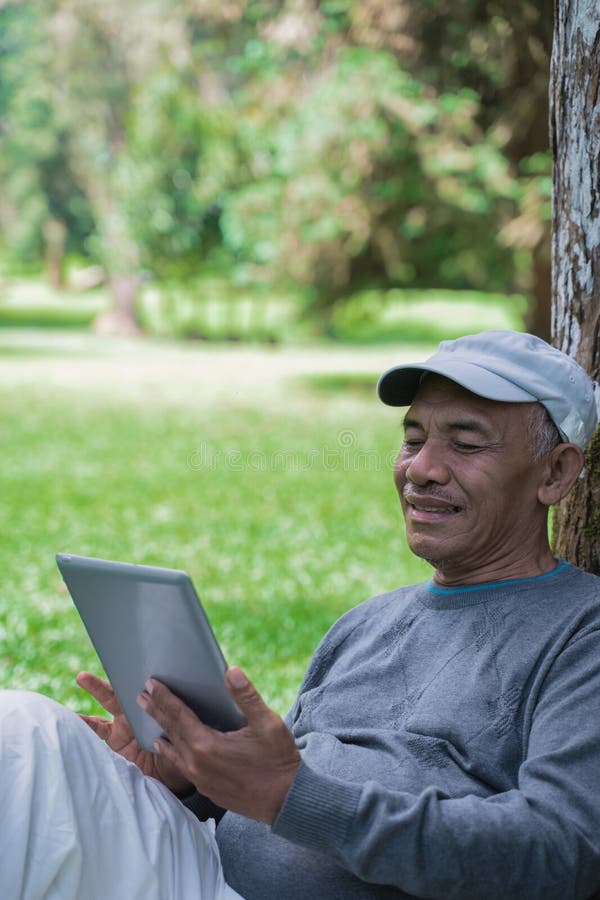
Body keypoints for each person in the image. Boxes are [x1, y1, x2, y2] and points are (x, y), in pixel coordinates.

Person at [1, 329, 600, 899]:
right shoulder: (368, 624)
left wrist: (293, 795)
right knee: (23, 732)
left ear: (556, 472)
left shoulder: (581, 632)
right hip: (202, 871)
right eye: (413, 439)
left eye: (466, 444)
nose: (421, 470)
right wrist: (191, 777)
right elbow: (272, 795)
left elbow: (562, 851)